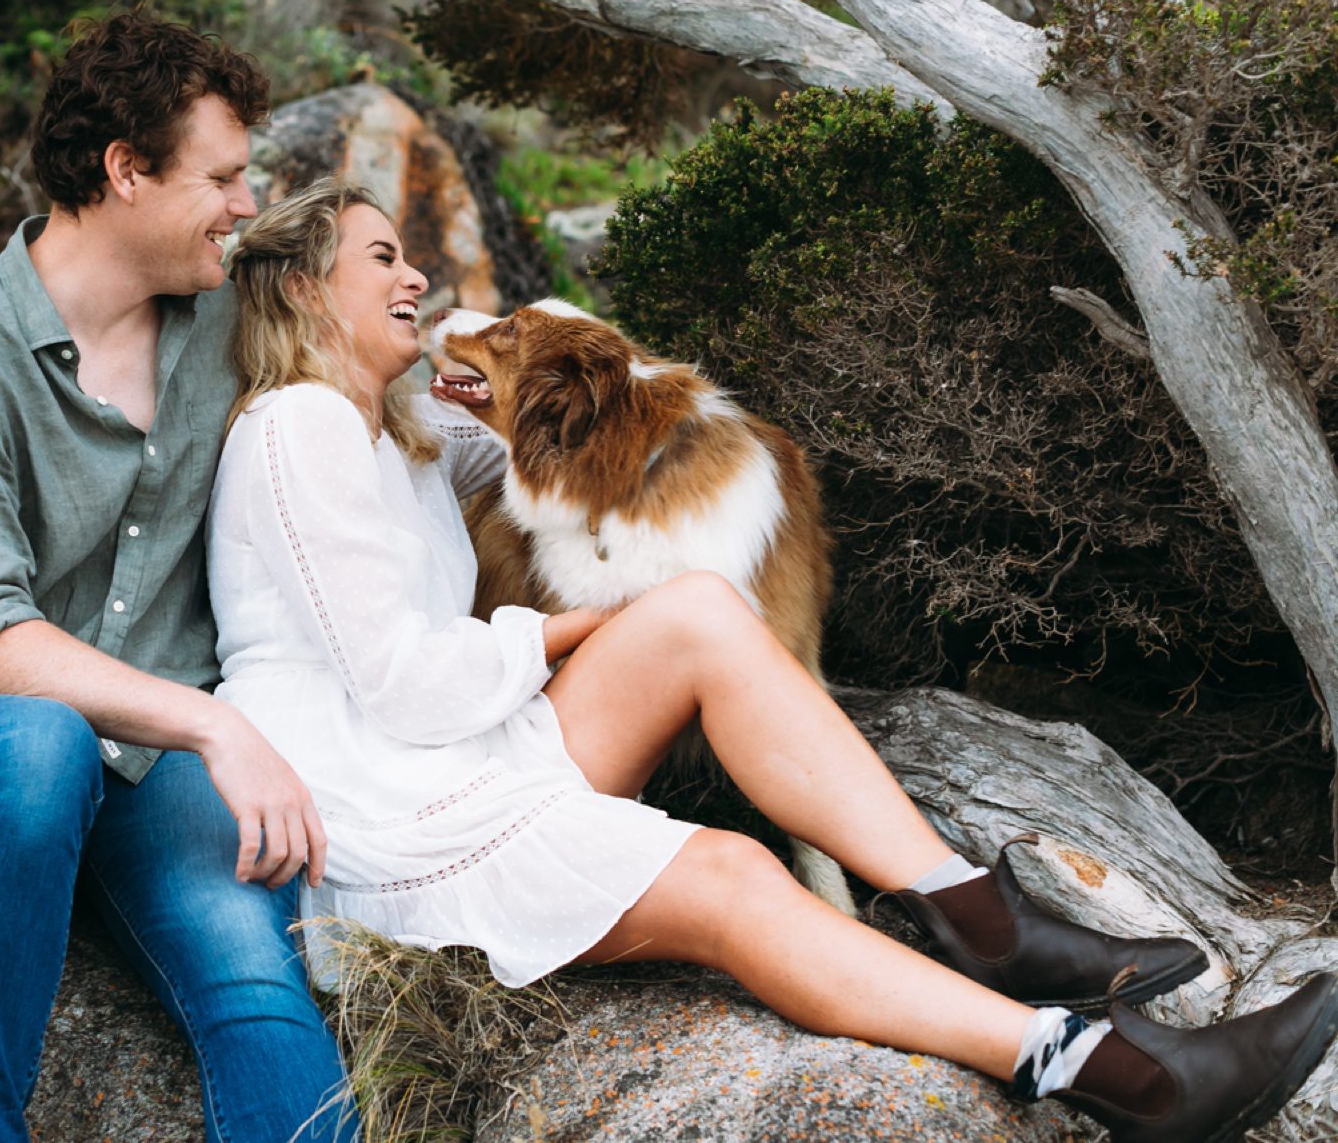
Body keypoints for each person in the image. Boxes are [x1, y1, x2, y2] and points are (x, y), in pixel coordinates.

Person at [206, 176, 1338, 1142]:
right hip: (380, 810)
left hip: (451, 759)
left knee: (699, 608)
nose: (417, 278)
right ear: (304, 289)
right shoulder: (298, 424)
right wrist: (578, 626)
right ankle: (1121, 1075)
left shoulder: (397, 428)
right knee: (733, 874)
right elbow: (403, 682)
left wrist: (669, 423)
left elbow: (577, 417)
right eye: (382, 259)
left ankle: (983, 921)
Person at [0, 13, 354, 1143]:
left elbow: (382, 372)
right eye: (220, 176)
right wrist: (219, 728)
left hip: (154, 774)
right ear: (125, 170)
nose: (244, 202)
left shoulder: (231, 320)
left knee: (254, 985)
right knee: (41, 743)